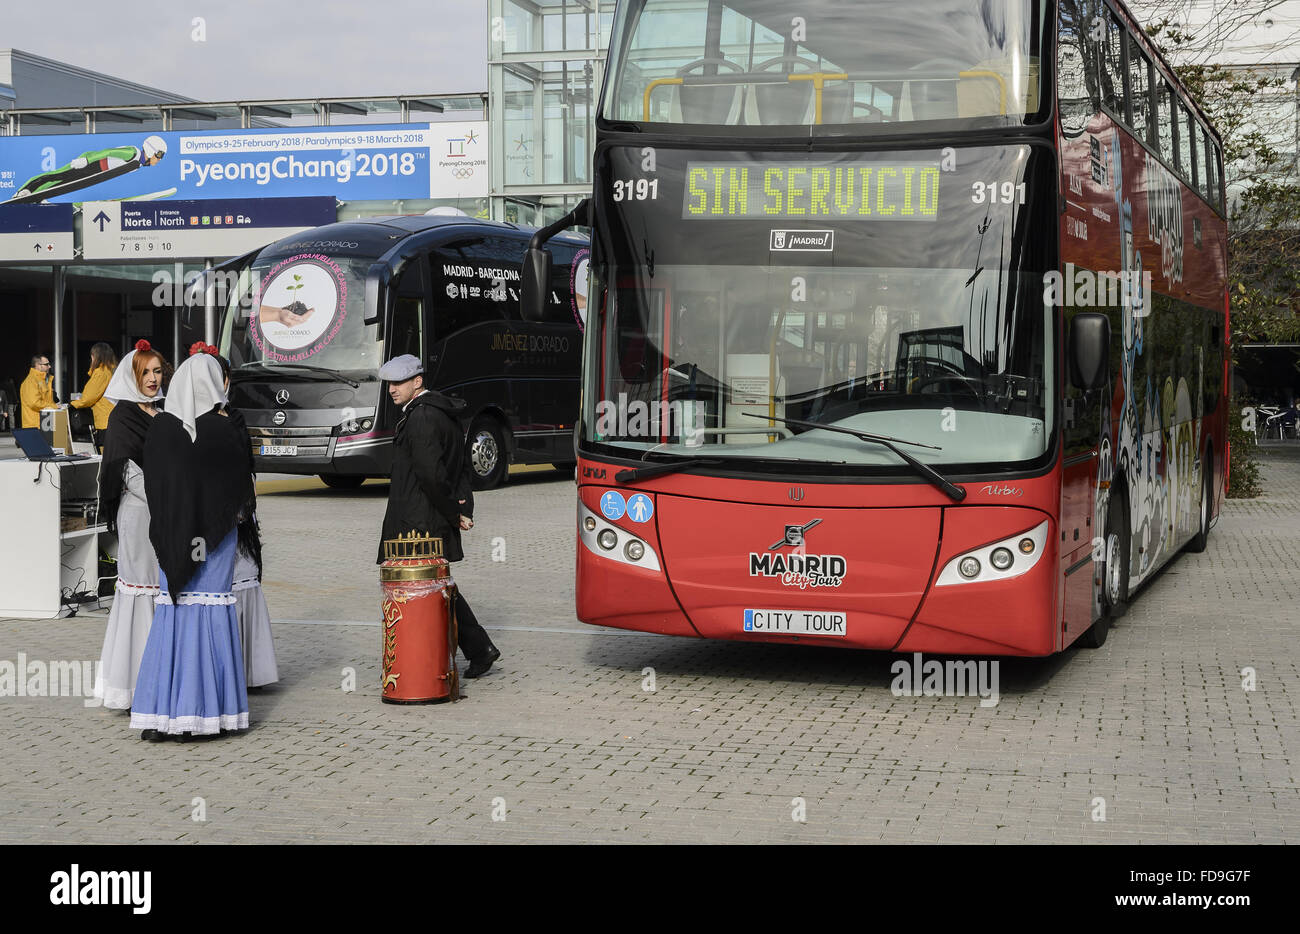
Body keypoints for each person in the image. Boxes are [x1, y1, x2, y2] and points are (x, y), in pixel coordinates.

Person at [130, 349, 254, 740]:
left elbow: (155, 487)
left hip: (175, 540)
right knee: (209, 612)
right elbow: (241, 491)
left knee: (175, 613)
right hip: (213, 542)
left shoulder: (161, 429)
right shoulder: (223, 428)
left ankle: (163, 711)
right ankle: (205, 712)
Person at [376, 354, 500, 679]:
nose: (391, 389)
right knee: (439, 586)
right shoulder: (441, 413)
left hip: (419, 523)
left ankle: (436, 658)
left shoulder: (422, 418)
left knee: (429, 590)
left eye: (398, 382)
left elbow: (431, 475)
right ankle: (478, 648)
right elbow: (457, 468)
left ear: (417, 381)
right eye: (389, 383)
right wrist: (461, 509)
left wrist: (453, 512)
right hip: (429, 516)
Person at [92, 340, 166, 710]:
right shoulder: (123, 416)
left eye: (157, 371)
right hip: (139, 517)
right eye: (145, 372)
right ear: (132, 376)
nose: (153, 379)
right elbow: (126, 471)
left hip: (166, 517)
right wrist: (170, 499)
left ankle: (157, 679)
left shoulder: (163, 412)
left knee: (160, 593)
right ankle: (131, 686)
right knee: (140, 593)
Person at [206, 344, 279, 688]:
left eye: (221, 376)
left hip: (239, 510)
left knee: (245, 574)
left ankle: (253, 669)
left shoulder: (234, 416)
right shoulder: (191, 418)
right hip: (210, 516)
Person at [70, 342, 118, 446]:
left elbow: (88, 398)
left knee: (104, 455)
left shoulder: (101, 373)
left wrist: (73, 404)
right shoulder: (113, 371)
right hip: (114, 418)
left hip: (105, 421)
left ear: (95, 357)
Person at [19, 353, 54, 428]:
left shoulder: (42, 380)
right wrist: (54, 406)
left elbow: (46, 401)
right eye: (47, 364)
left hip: (44, 424)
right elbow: (34, 403)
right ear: (38, 365)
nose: (49, 366)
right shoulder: (31, 381)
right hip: (34, 426)